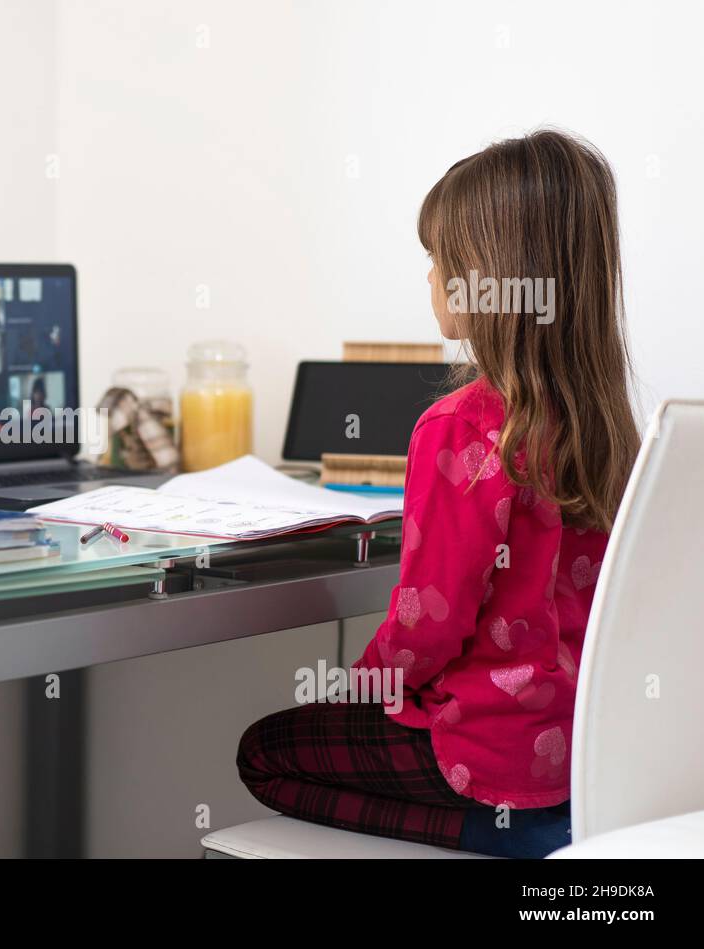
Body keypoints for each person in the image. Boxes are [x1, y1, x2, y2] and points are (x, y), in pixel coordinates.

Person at [236, 130, 640, 858]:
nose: (428, 280)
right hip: (572, 748)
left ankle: (505, 833)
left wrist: (357, 687)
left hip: (484, 748)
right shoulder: (605, 422)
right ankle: (538, 821)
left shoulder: (462, 427)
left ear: (485, 283)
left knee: (263, 750)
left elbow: (428, 627)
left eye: (438, 262)